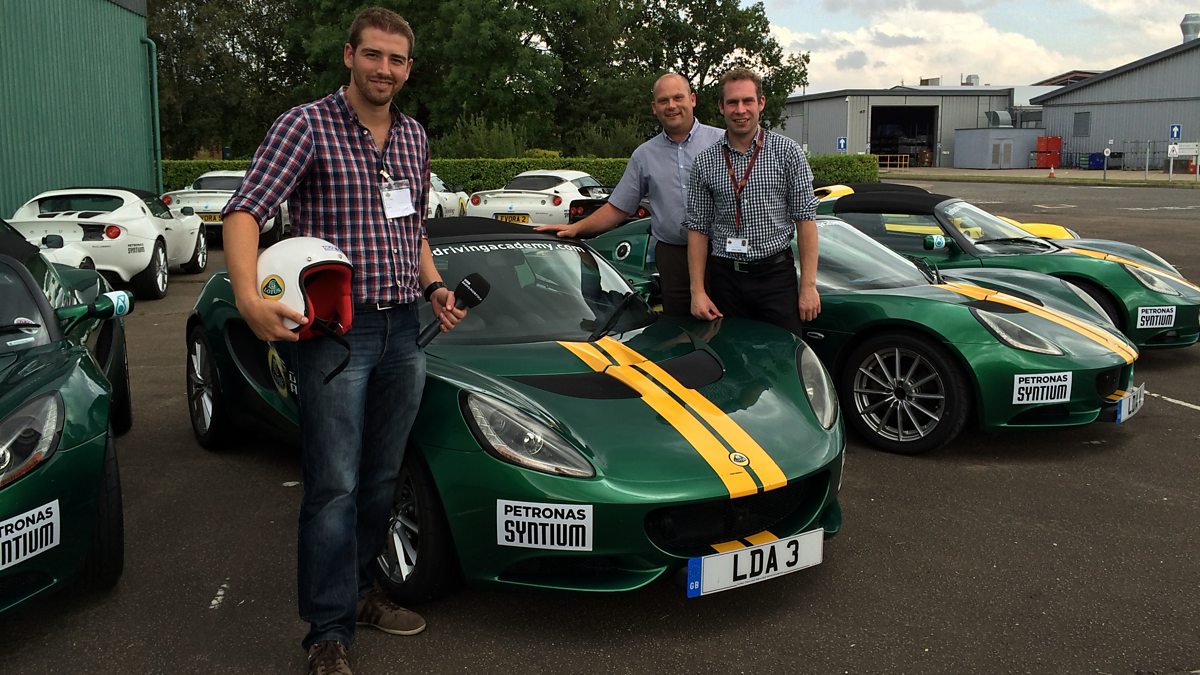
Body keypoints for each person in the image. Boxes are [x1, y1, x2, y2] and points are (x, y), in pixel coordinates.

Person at [220, 7, 464, 675]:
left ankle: (359, 593)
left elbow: (410, 227)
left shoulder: (413, 137)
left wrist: (435, 286)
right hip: (335, 335)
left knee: (381, 478)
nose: (385, 69)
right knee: (332, 486)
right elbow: (244, 209)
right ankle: (328, 632)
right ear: (348, 56)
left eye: (397, 59)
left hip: (402, 331)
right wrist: (247, 295)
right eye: (374, 55)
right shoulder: (306, 125)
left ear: (408, 68)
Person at [536, 72, 722, 315]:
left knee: (728, 322)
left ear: (693, 99)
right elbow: (619, 207)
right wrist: (576, 229)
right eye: (664, 101)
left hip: (720, 253)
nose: (672, 106)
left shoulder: (721, 142)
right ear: (654, 107)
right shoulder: (644, 155)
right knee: (681, 328)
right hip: (673, 256)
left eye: (678, 97)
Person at [685, 67, 820, 336]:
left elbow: (806, 220)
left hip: (775, 277)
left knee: (783, 357)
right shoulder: (705, 161)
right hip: (726, 279)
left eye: (747, 101)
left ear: (761, 103)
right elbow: (698, 228)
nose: (740, 109)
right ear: (721, 107)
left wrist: (808, 286)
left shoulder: (787, 152)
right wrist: (697, 291)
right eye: (732, 102)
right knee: (733, 360)